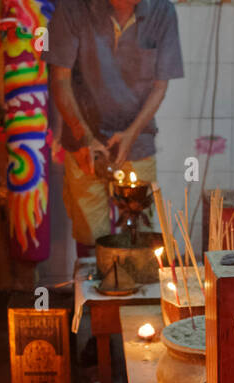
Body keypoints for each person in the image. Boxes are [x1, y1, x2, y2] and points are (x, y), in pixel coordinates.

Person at [47, 0, 183, 255]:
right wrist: (84, 136)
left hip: (138, 139)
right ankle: (91, 291)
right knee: (90, 239)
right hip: (83, 140)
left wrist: (131, 134)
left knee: (140, 234)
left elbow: (160, 86)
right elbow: (60, 80)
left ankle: (139, 291)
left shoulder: (161, 10)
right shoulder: (72, 9)